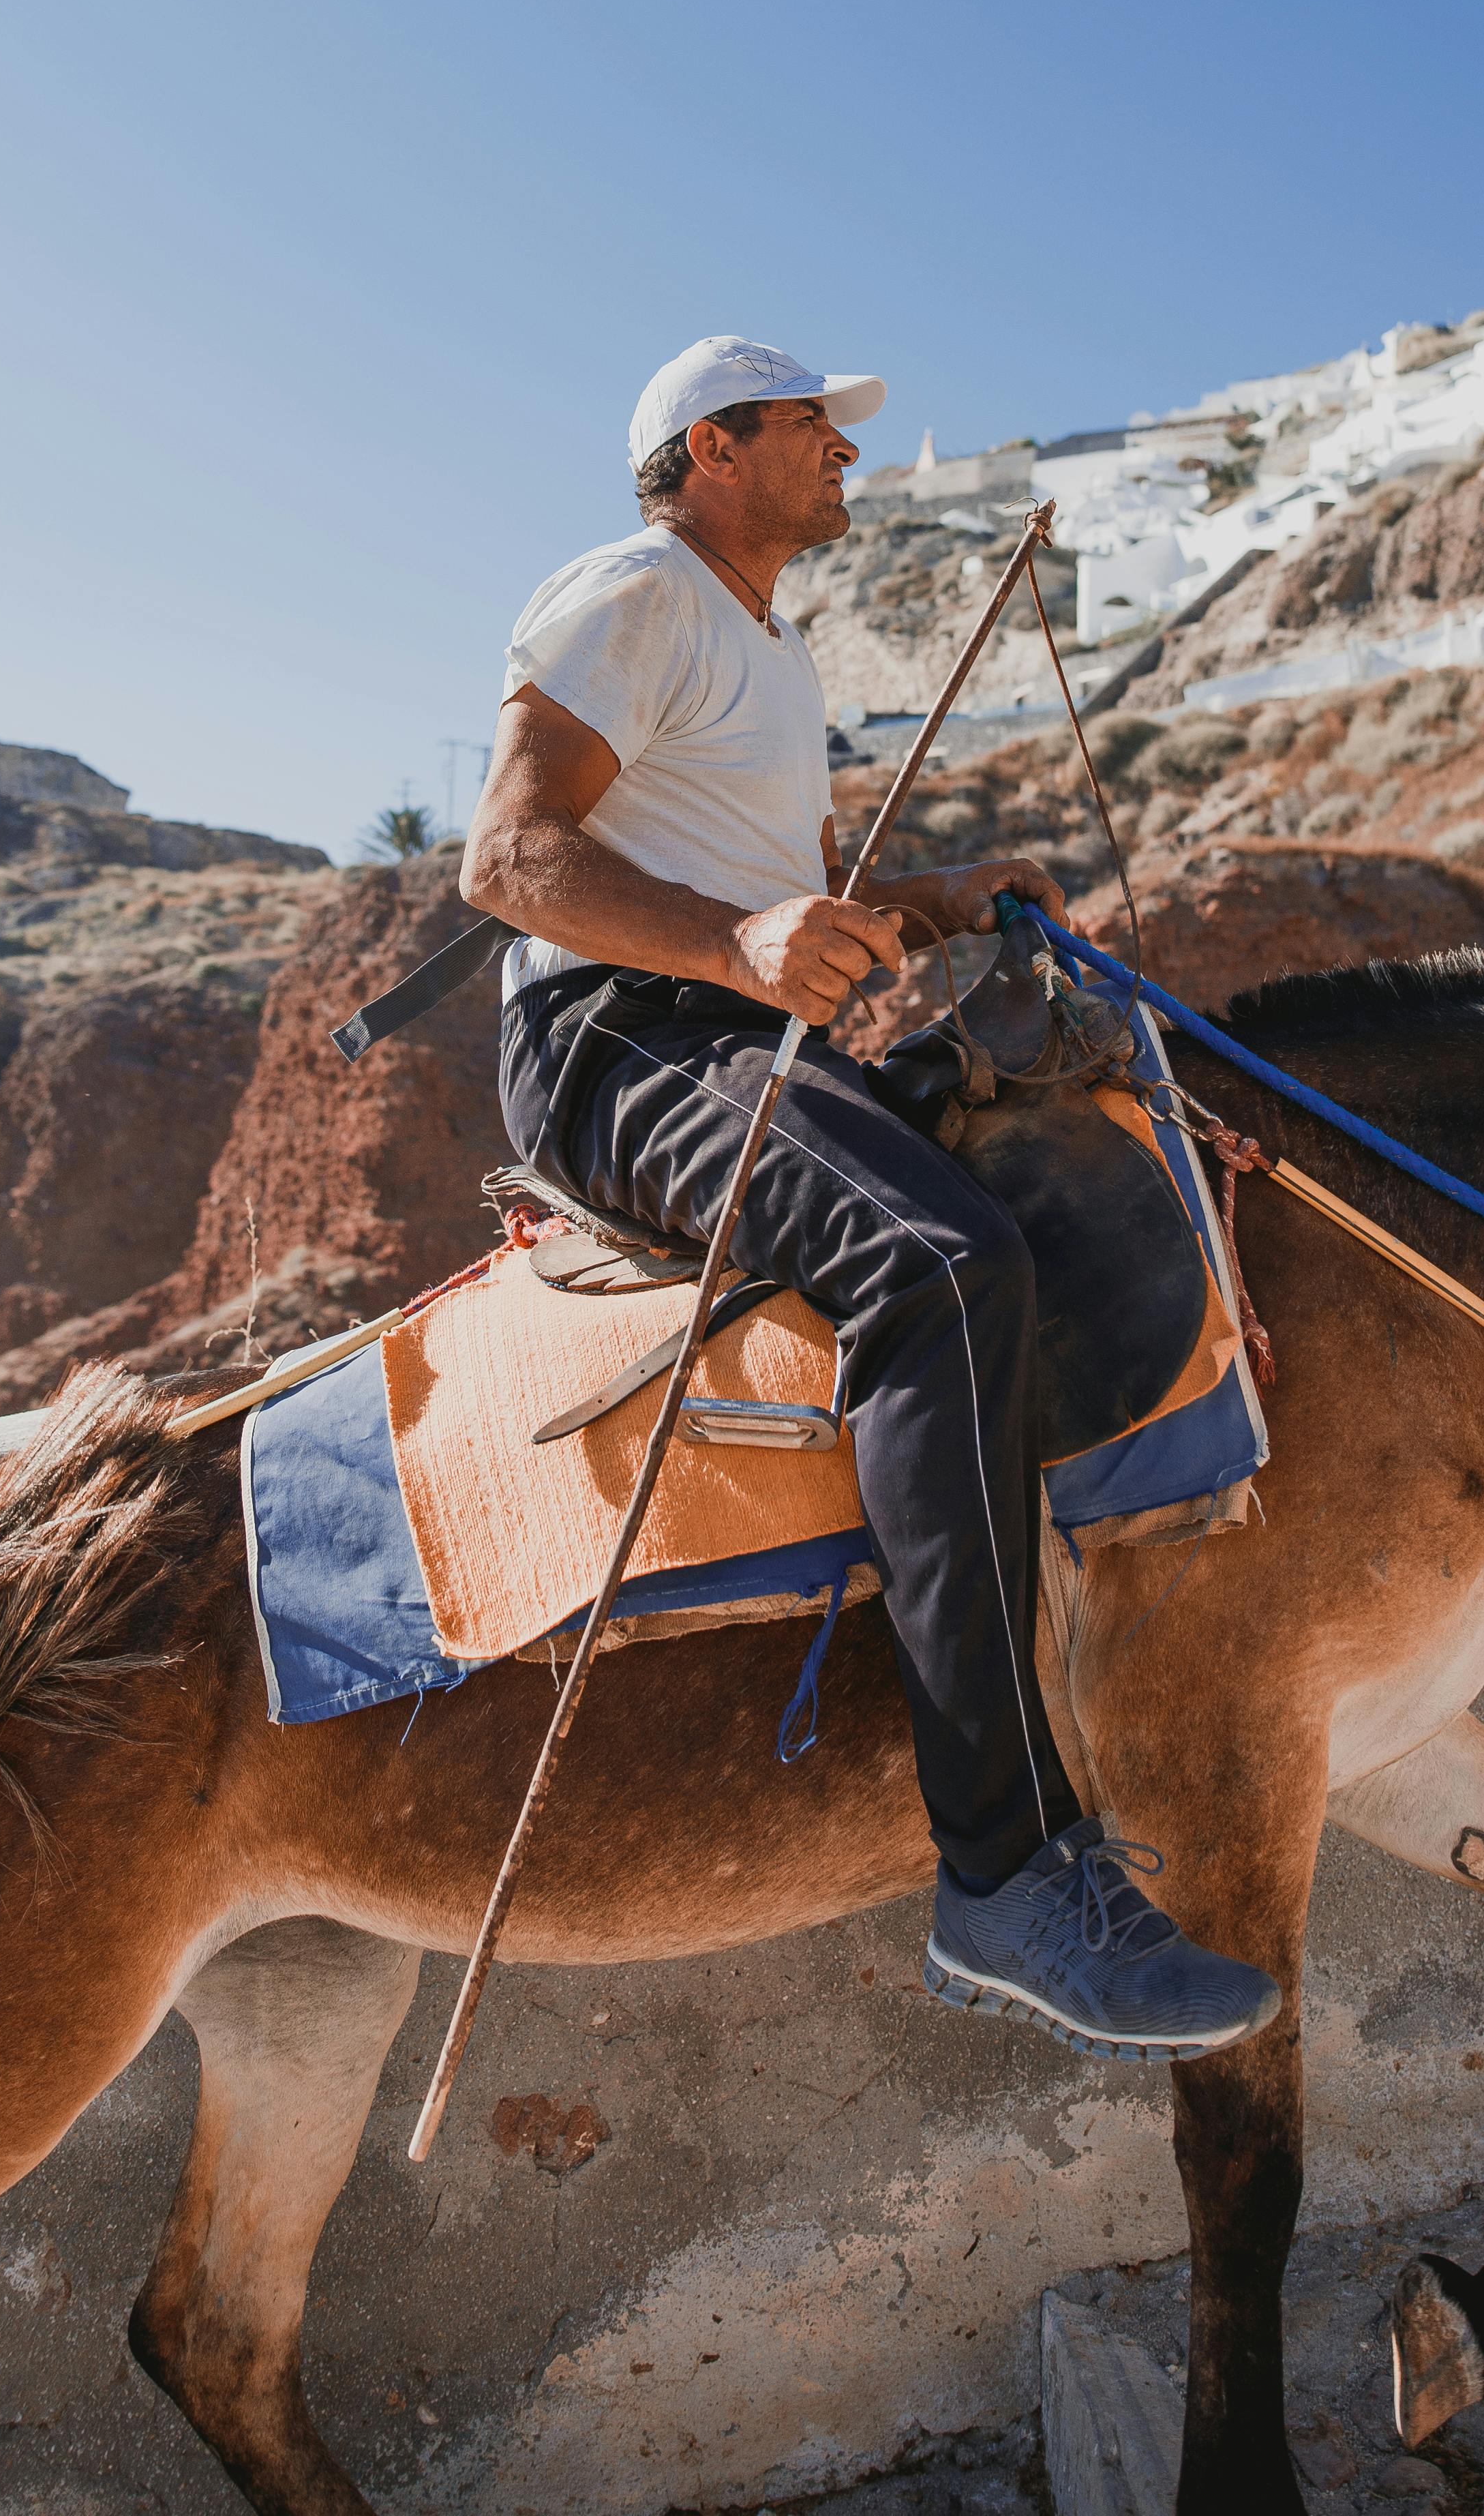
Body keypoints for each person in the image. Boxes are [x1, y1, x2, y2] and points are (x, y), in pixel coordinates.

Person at [461, 336, 1278, 2060]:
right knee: (945, 1263)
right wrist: (742, 947)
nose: (844, 456)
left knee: (1060, 1149)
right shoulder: (638, 590)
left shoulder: (768, 641)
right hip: (620, 1037)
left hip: (724, 1006)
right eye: (814, 431)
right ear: (714, 448)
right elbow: (513, 857)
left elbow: (778, 886)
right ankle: (1002, 1872)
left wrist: (933, 896)